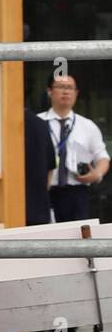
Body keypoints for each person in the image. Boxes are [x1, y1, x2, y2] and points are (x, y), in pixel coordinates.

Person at [39, 76, 109, 224]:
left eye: (70, 88)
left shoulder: (87, 126)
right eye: (60, 87)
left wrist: (96, 174)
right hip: (44, 192)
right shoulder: (37, 123)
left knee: (79, 239)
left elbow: (102, 157)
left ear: (76, 93)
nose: (66, 92)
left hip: (77, 193)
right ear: (49, 91)